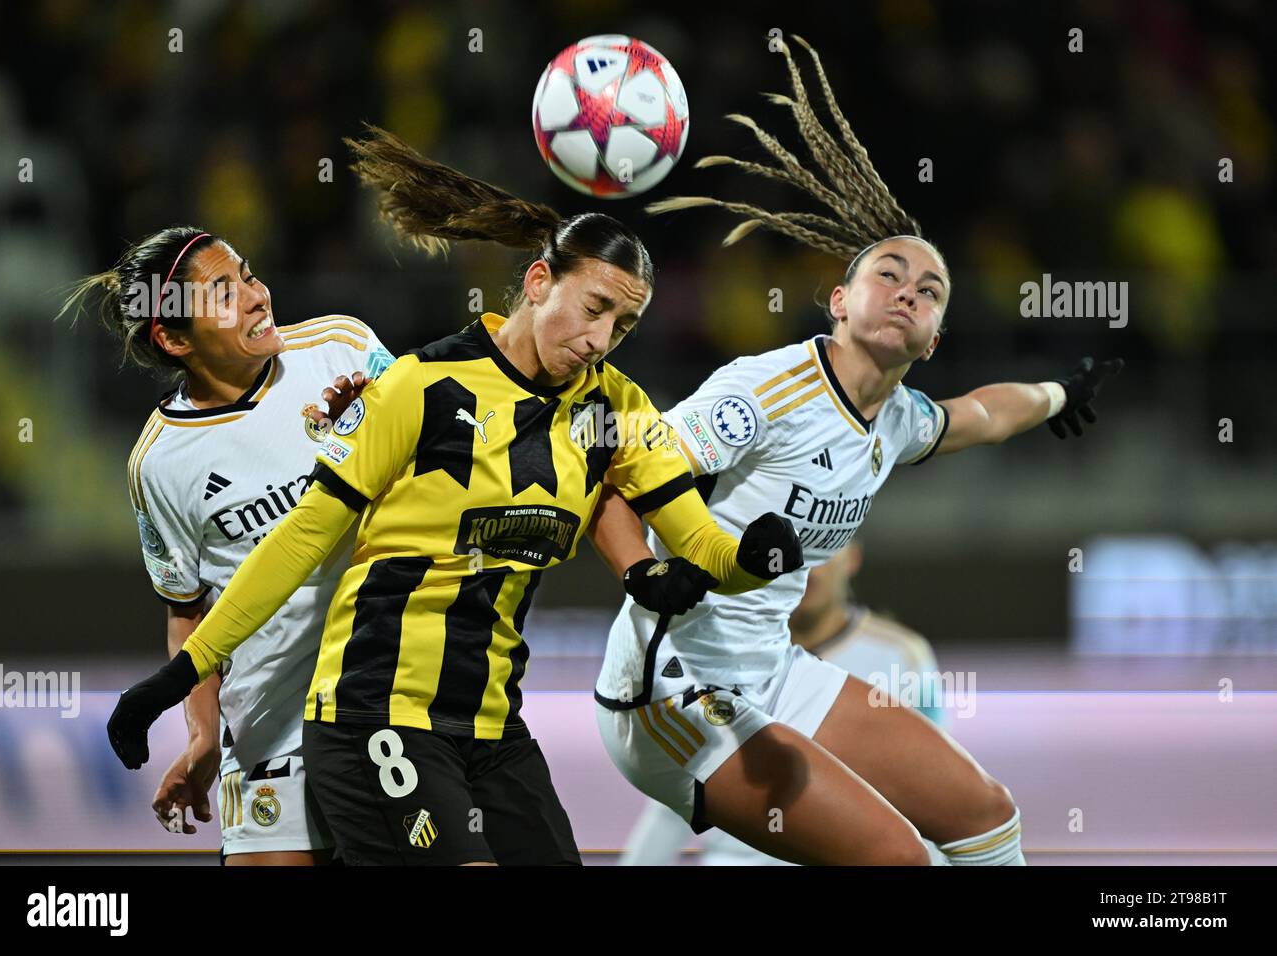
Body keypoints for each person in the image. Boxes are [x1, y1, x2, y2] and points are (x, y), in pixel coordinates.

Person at [105, 127, 803, 866]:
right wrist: (182, 699)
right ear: (537, 283)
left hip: (486, 719)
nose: (603, 339)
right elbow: (284, 547)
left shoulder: (596, 403)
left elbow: (679, 531)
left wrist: (744, 560)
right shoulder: (416, 387)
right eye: (593, 309)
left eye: (623, 325)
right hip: (348, 707)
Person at [591, 36, 1122, 865]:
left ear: (936, 336)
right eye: (888, 273)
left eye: (930, 288)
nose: (908, 288)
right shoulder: (764, 392)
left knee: (986, 815)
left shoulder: (897, 420)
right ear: (839, 301)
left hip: (772, 674)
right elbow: (622, 474)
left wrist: (1058, 395)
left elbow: (979, 414)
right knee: (897, 860)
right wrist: (644, 573)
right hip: (674, 692)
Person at [61, 227, 394, 864]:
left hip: (390, 698)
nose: (256, 296)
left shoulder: (342, 348)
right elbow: (188, 611)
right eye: (223, 292)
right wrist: (203, 734)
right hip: (272, 728)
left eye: (246, 274)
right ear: (173, 338)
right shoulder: (159, 463)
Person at [619, 543, 946, 866]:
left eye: (823, 550)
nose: (806, 565)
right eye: (797, 549)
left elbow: (930, 790)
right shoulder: (716, 650)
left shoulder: (900, 657)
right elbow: (676, 798)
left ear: (852, 559)